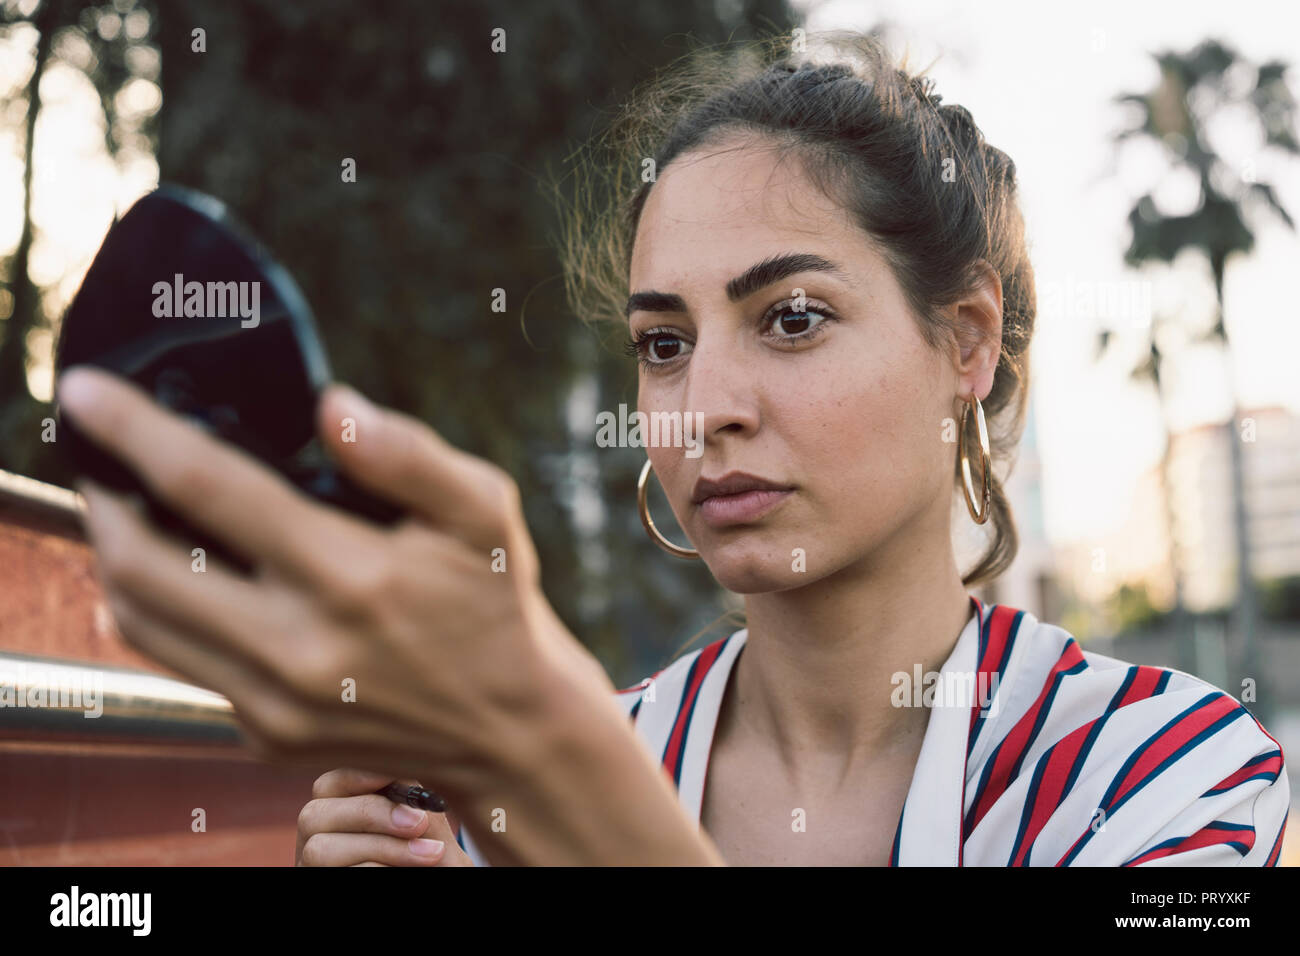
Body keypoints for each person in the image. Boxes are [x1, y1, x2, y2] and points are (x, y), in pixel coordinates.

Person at [62, 31, 1288, 867]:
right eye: (662, 343)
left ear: (965, 340)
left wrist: (541, 753)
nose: (702, 406)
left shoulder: (1164, 771)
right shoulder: (509, 802)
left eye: (791, 318)